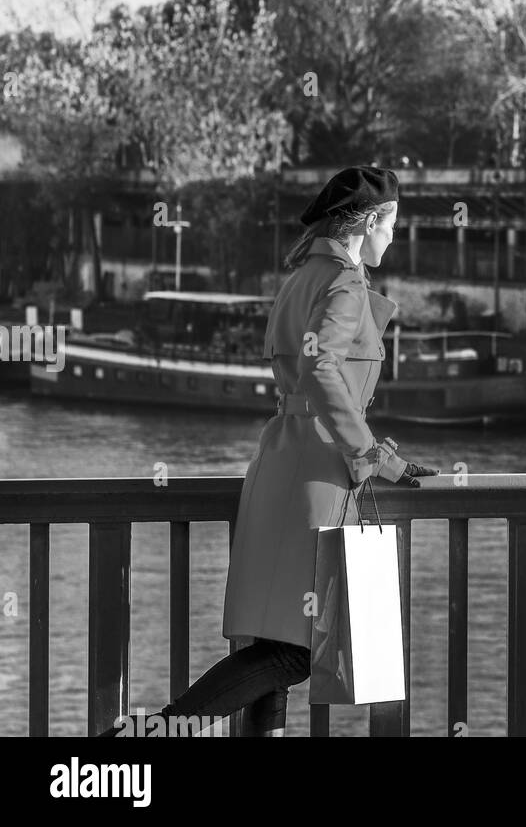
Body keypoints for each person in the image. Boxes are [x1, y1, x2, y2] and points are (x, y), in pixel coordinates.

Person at [99, 165, 438, 737]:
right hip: (320, 474)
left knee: (276, 640)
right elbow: (321, 367)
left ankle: (154, 732)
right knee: (298, 650)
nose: (393, 238)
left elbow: (303, 370)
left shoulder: (302, 275)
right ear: (370, 222)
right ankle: (154, 731)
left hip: (279, 461)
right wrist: (375, 455)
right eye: (392, 225)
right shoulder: (344, 284)